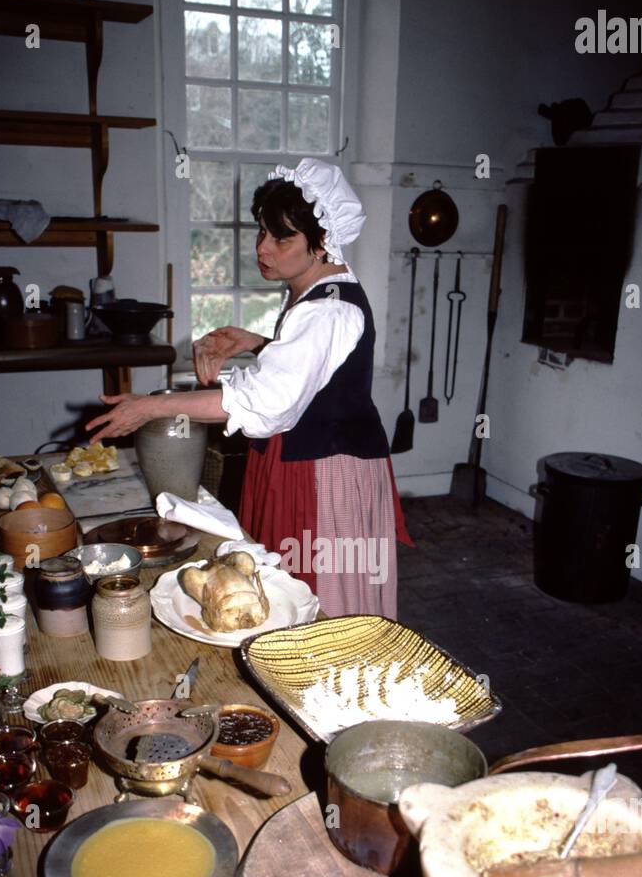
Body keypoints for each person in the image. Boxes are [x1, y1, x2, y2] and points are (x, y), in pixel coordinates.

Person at [87, 158, 411, 618]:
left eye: (282, 238)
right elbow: (315, 368)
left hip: (323, 472)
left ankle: (315, 674)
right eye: (262, 231)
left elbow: (265, 403)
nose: (264, 248)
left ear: (322, 243)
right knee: (280, 581)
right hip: (301, 458)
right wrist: (259, 343)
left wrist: (151, 408)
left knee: (314, 594)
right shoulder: (315, 289)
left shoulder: (328, 309)